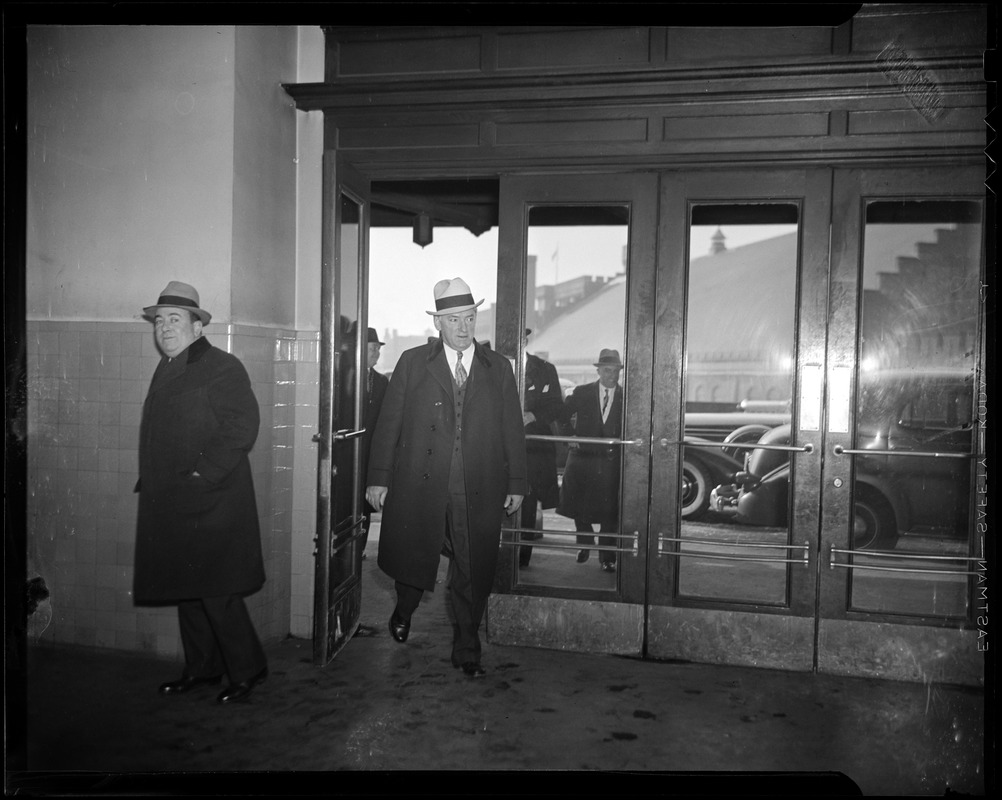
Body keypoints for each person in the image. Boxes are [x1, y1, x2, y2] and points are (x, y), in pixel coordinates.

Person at [365, 277, 526, 678]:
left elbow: (512, 430)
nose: (463, 327)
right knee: (415, 556)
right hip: (420, 482)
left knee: (473, 566)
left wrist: (517, 482)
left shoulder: (498, 368)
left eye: (469, 318)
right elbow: (389, 425)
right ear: (438, 323)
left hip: (477, 486)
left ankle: (467, 646)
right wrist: (379, 477)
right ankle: (405, 608)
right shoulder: (412, 363)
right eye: (453, 319)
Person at [133, 281, 268, 704]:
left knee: (217, 591)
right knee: (188, 590)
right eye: (160, 321)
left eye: (175, 319)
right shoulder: (170, 364)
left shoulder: (222, 366)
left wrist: (200, 475)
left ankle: (248, 670)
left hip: (213, 500)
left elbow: (242, 427)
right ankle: (202, 669)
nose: (165, 328)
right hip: (175, 500)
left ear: (197, 326)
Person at [556, 348, 624, 573]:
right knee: (578, 504)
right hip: (583, 459)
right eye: (607, 370)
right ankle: (585, 544)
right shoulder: (582, 393)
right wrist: (569, 437)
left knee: (610, 510)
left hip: (610, 463)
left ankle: (608, 557)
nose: (612, 376)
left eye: (615, 371)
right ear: (599, 371)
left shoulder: (627, 398)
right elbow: (561, 415)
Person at [518, 329, 565, 568]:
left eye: (521, 338)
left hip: (533, 451)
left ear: (526, 341)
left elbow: (557, 405)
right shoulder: (490, 367)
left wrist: (533, 415)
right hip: (498, 451)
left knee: (527, 504)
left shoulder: (545, 369)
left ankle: (521, 559)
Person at [360, 327, 389, 559]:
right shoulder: (347, 377)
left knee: (367, 505)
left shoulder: (381, 382)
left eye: (378, 349)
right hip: (351, 451)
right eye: (373, 349)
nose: (376, 353)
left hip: (372, 453)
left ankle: (360, 549)